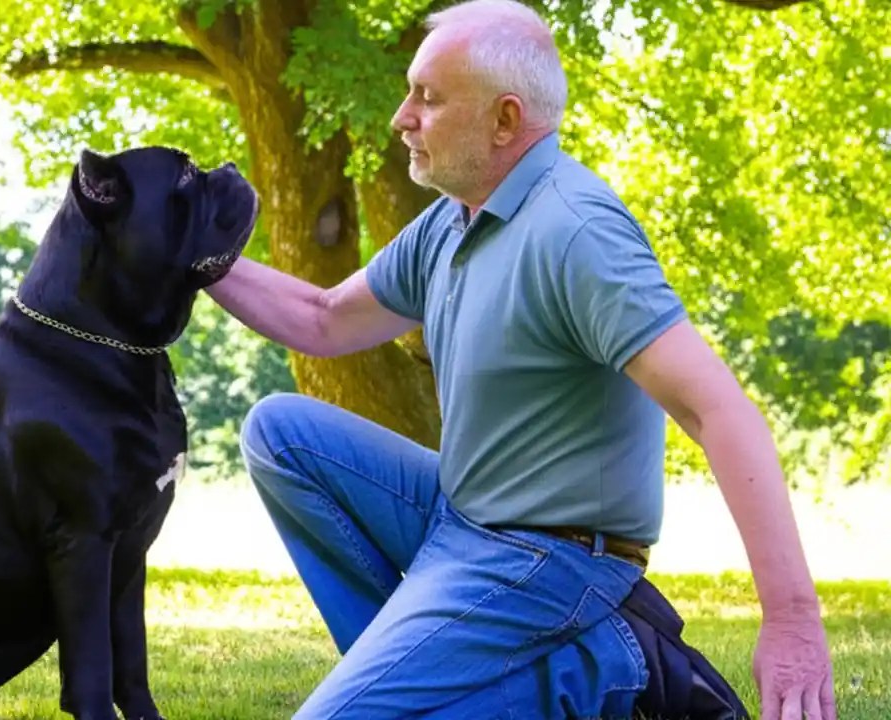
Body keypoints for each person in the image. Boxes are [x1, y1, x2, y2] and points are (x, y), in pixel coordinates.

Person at [204, 1, 838, 718]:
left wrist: (792, 620)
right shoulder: (452, 220)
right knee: (281, 434)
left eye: (428, 98)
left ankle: (607, 665)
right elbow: (322, 319)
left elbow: (717, 410)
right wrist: (191, 253)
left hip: (551, 560)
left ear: (505, 121)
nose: (401, 117)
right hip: (458, 522)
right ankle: (450, 680)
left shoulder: (575, 232)